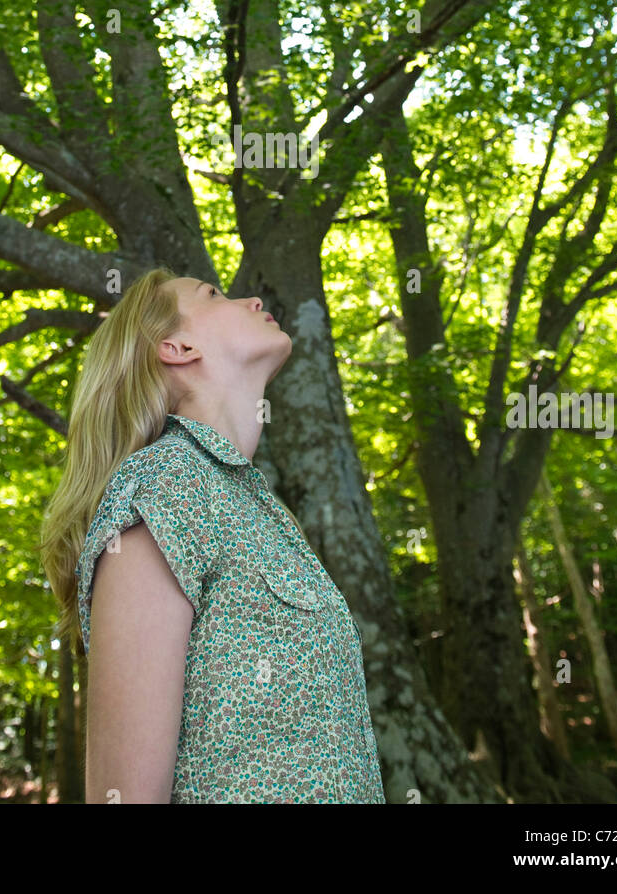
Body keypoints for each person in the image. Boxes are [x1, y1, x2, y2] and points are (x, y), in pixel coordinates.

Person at [41, 266, 385, 804]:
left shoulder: (263, 511)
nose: (252, 298)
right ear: (175, 347)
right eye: (214, 294)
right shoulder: (162, 485)